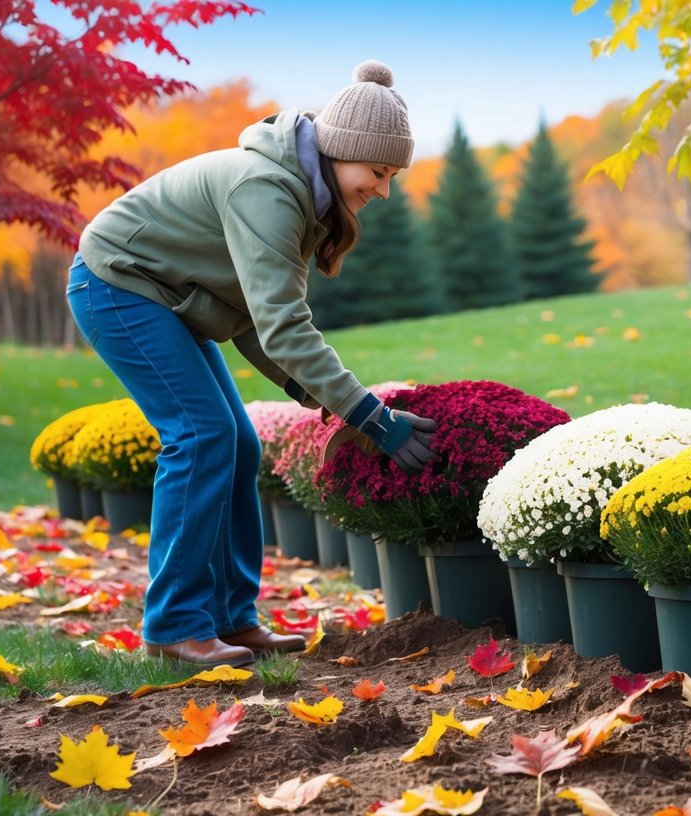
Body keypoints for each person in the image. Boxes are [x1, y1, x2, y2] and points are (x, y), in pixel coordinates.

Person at [67, 60, 436, 668]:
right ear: (342, 152)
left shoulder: (299, 194)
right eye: (378, 172)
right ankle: (174, 627)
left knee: (236, 440)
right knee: (200, 435)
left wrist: (326, 400)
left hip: (167, 299)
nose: (384, 190)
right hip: (117, 286)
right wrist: (372, 417)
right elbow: (285, 327)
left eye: (391, 175)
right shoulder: (267, 190)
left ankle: (231, 620)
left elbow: (261, 328)